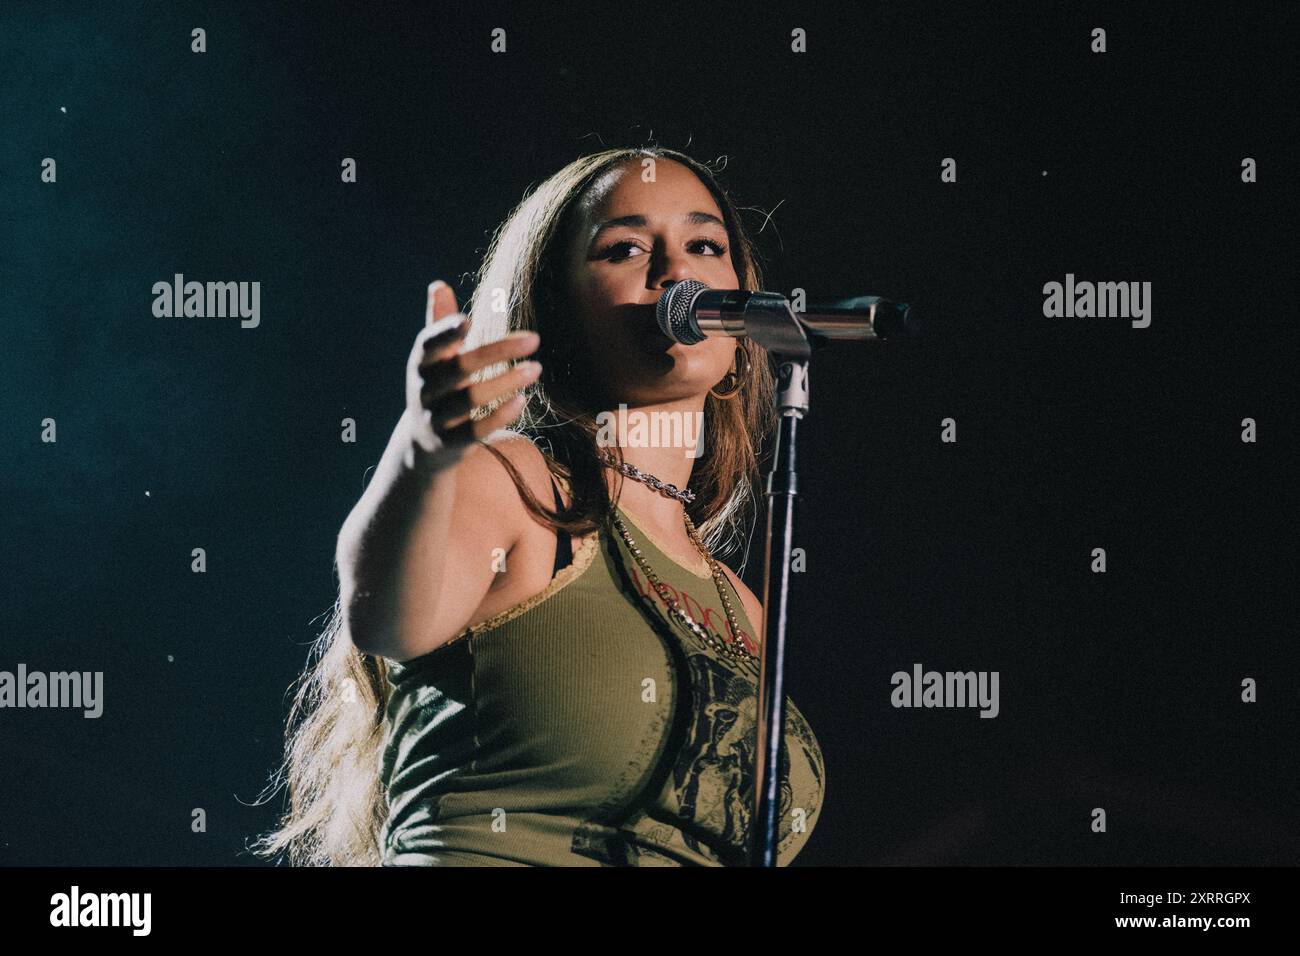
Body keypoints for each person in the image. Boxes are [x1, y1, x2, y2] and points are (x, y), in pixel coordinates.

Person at [251, 146, 826, 866]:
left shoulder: (743, 606)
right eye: (626, 249)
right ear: (553, 313)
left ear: (745, 343)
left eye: (705, 246)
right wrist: (422, 450)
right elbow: (389, 617)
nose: (678, 272)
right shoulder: (518, 488)